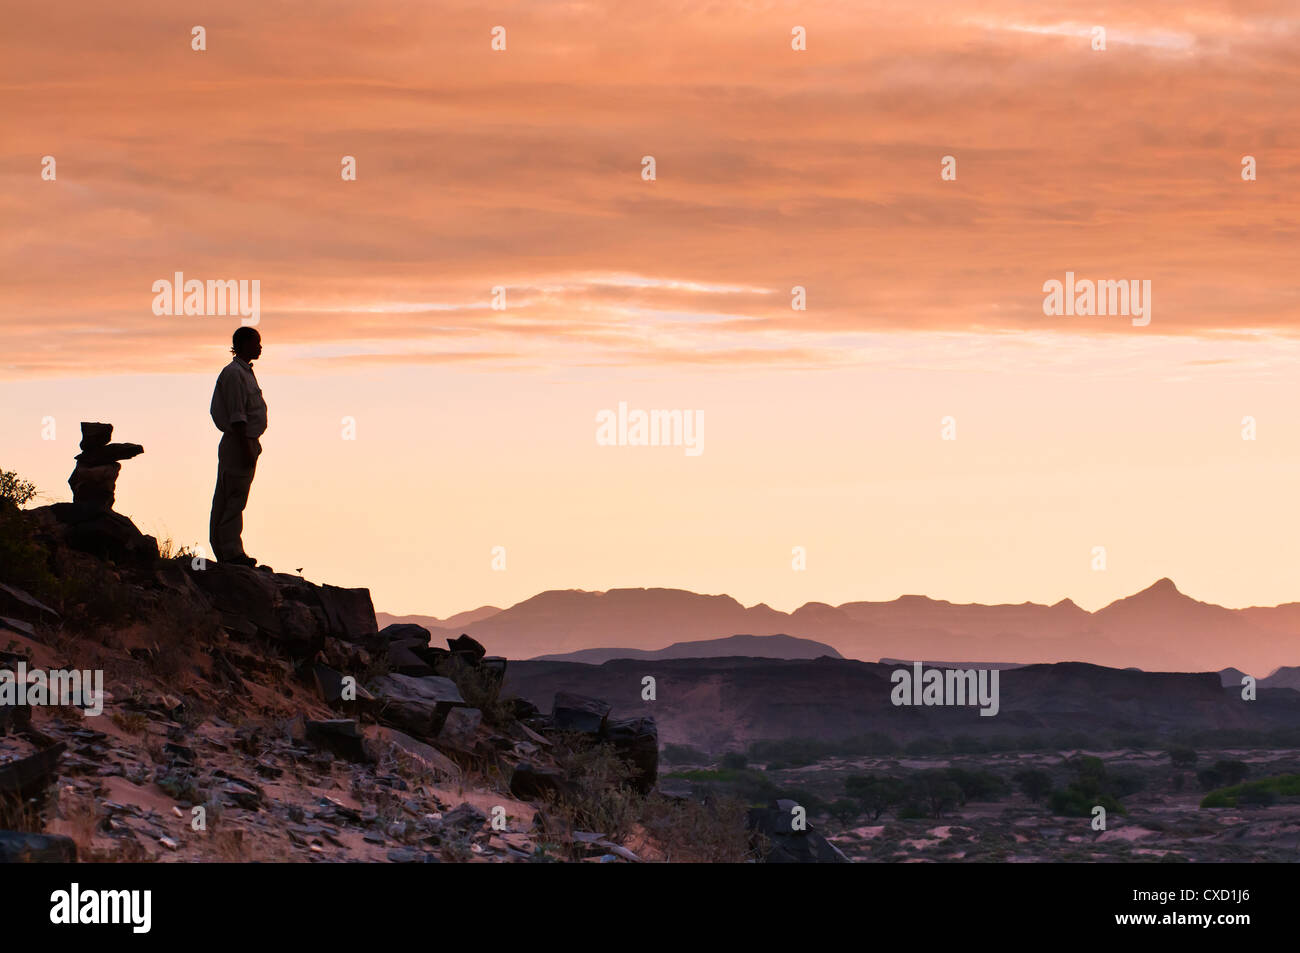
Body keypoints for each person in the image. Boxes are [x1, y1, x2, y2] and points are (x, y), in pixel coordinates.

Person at [208, 327, 267, 567]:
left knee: (235, 497)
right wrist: (244, 448)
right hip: (239, 442)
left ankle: (229, 549)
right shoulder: (234, 374)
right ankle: (229, 552)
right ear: (242, 344)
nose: (260, 347)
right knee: (232, 497)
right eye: (256, 343)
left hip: (246, 441)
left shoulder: (245, 373)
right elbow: (237, 415)